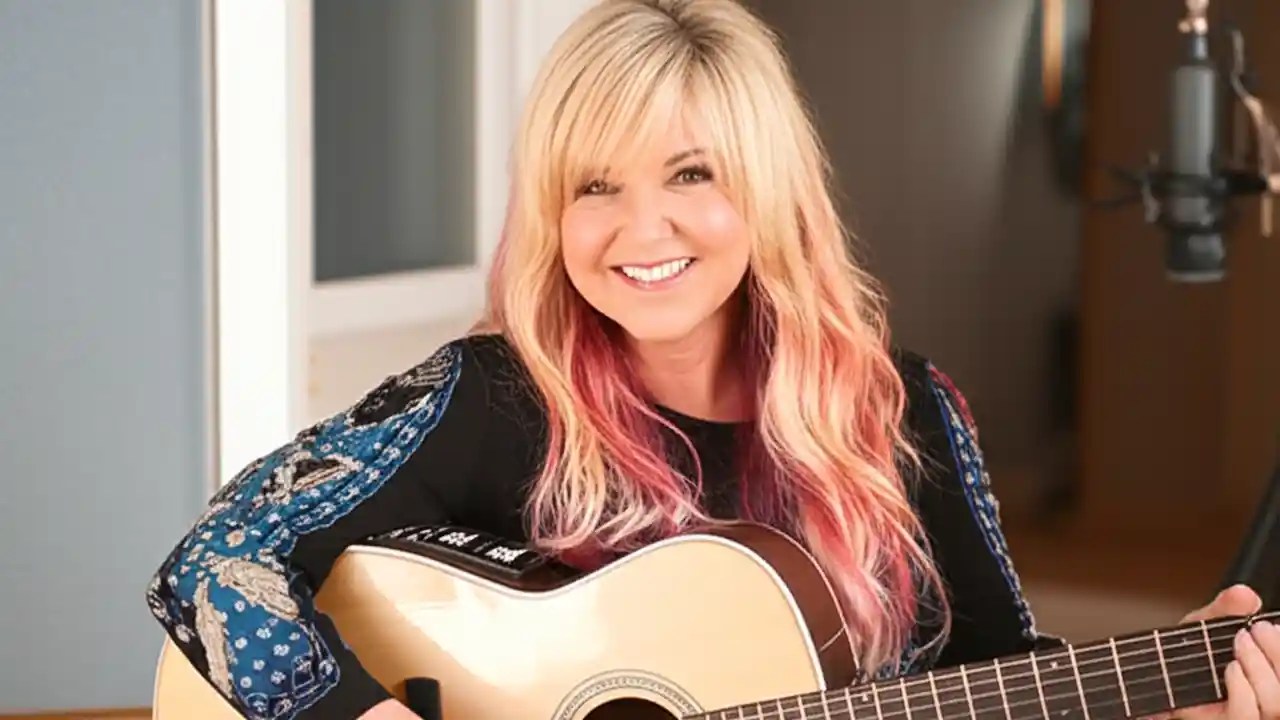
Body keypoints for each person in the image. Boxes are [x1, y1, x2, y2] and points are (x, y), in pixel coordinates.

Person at [145, 1, 1280, 719]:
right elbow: (213, 563)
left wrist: (1167, 698)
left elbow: (997, 670)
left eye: (691, 175)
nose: (642, 232)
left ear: (767, 191)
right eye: (595, 186)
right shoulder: (488, 397)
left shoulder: (904, 409)